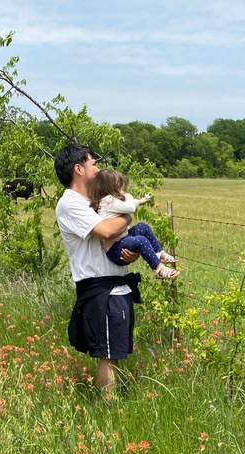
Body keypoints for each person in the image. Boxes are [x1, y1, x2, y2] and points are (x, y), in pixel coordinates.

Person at [54, 142, 141, 396]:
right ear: (78, 169)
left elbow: (115, 240)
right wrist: (127, 216)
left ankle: (111, 403)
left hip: (115, 280)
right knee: (107, 354)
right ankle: (110, 406)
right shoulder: (71, 203)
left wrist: (131, 255)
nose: (99, 167)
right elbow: (105, 230)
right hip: (99, 287)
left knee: (114, 352)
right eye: (94, 163)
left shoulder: (96, 201)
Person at [90, 168, 179, 279]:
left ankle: (158, 252)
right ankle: (158, 269)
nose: (123, 191)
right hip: (115, 250)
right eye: (121, 187)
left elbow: (131, 205)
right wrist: (128, 195)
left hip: (121, 241)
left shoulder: (108, 200)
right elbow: (130, 207)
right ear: (112, 189)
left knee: (143, 226)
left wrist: (141, 201)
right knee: (142, 240)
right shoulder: (109, 201)